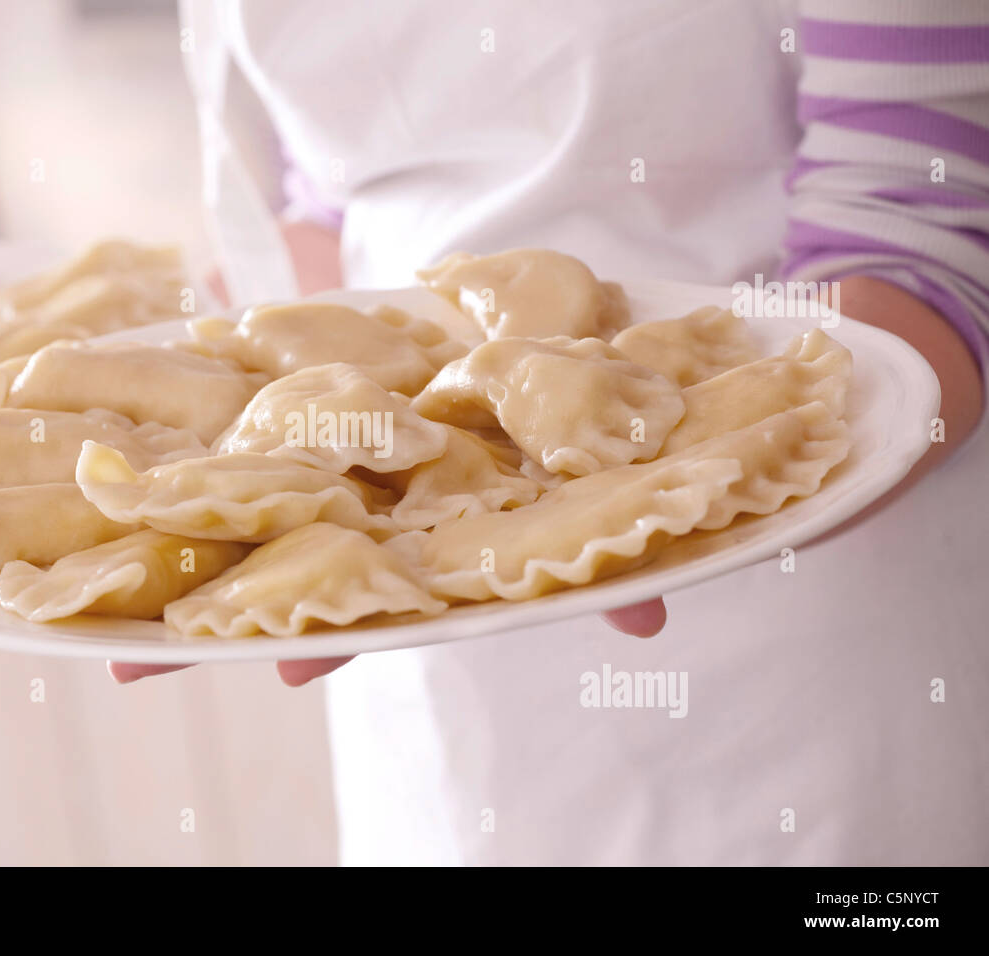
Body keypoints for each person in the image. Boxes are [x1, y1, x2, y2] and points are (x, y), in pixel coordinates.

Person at [114, 0, 989, 865]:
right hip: (406, 644)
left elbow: (917, 228)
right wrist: (234, 424)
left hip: (792, 655)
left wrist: (664, 497)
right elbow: (340, 188)